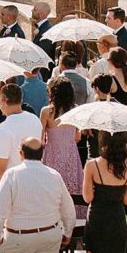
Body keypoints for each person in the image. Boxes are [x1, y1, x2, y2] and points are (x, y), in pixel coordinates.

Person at [0, 137, 77, 253]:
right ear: (42, 153)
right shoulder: (54, 175)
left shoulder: (12, 175)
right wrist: (67, 233)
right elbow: (69, 210)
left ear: (21, 153)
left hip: (19, 237)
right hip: (49, 234)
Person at [0, 83, 42, 202]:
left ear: (2, 100)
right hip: (35, 181)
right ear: (20, 99)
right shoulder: (35, 119)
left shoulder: (4, 129)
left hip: (13, 187)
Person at [38, 79, 83, 211]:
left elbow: (40, 139)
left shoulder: (46, 111)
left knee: (52, 191)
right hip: (71, 154)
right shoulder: (75, 110)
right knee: (72, 189)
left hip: (52, 154)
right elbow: (77, 137)